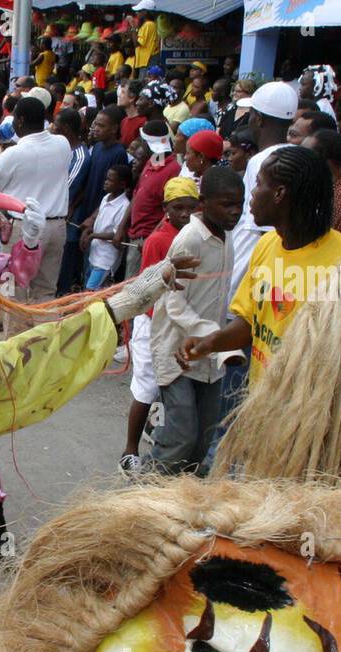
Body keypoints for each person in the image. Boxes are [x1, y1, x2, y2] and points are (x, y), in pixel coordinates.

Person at [178, 145, 341, 383]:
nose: (252, 194)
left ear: (279, 194)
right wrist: (210, 343)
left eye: (258, 184)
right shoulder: (267, 244)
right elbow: (251, 321)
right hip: (264, 402)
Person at [146, 167, 243, 475]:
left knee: (201, 441)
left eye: (239, 203)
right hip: (178, 348)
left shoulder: (227, 238)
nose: (235, 211)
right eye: (227, 204)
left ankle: (180, 498)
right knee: (179, 437)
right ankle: (145, 492)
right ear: (204, 202)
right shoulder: (191, 239)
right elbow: (174, 302)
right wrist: (214, 334)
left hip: (208, 351)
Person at [120, 176, 199, 474]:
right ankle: (129, 449)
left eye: (191, 207)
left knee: (168, 387)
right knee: (146, 387)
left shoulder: (194, 236)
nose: (185, 214)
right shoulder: (159, 240)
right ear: (166, 208)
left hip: (178, 324)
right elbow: (151, 289)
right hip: (155, 322)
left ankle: (160, 443)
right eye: (179, 208)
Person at [0, 96, 72, 305]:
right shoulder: (62, 144)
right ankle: (43, 337)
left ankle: (15, 337)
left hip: (22, 229)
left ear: (19, 121)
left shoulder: (14, 154)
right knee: (46, 292)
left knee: (12, 293)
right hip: (56, 227)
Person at [228, 81, 297, 301]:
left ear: (258, 118)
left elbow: (262, 230)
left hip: (250, 261)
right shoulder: (295, 154)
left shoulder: (262, 161)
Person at [61, 104, 125, 295]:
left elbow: (114, 190)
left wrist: (93, 217)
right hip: (86, 208)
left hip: (101, 213)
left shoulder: (118, 153)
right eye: (95, 124)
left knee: (94, 257)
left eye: (101, 126)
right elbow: (87, 181)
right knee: (81, 252)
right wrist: (75, 205)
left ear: (114, 128)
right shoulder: (96, 148)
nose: (95, 129)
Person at [123, 119, 180, 279]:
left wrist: (150, 238)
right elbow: (137, 194)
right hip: (135, 235)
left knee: (136, 287)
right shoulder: (152, 161)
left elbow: (169, 210)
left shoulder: (173, 169)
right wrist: (122, 227)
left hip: (146, 239)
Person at [81, 161, 132, 289]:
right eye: (106, 179)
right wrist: (88, 230)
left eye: (110, 180)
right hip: (94, 254)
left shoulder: (124, 205)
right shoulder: (106, 198)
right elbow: (100, 221)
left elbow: (115, 234)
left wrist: (93, 235)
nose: (106, 182)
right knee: (92, 290)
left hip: (105, 259)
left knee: (90, 290)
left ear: (122, 184)